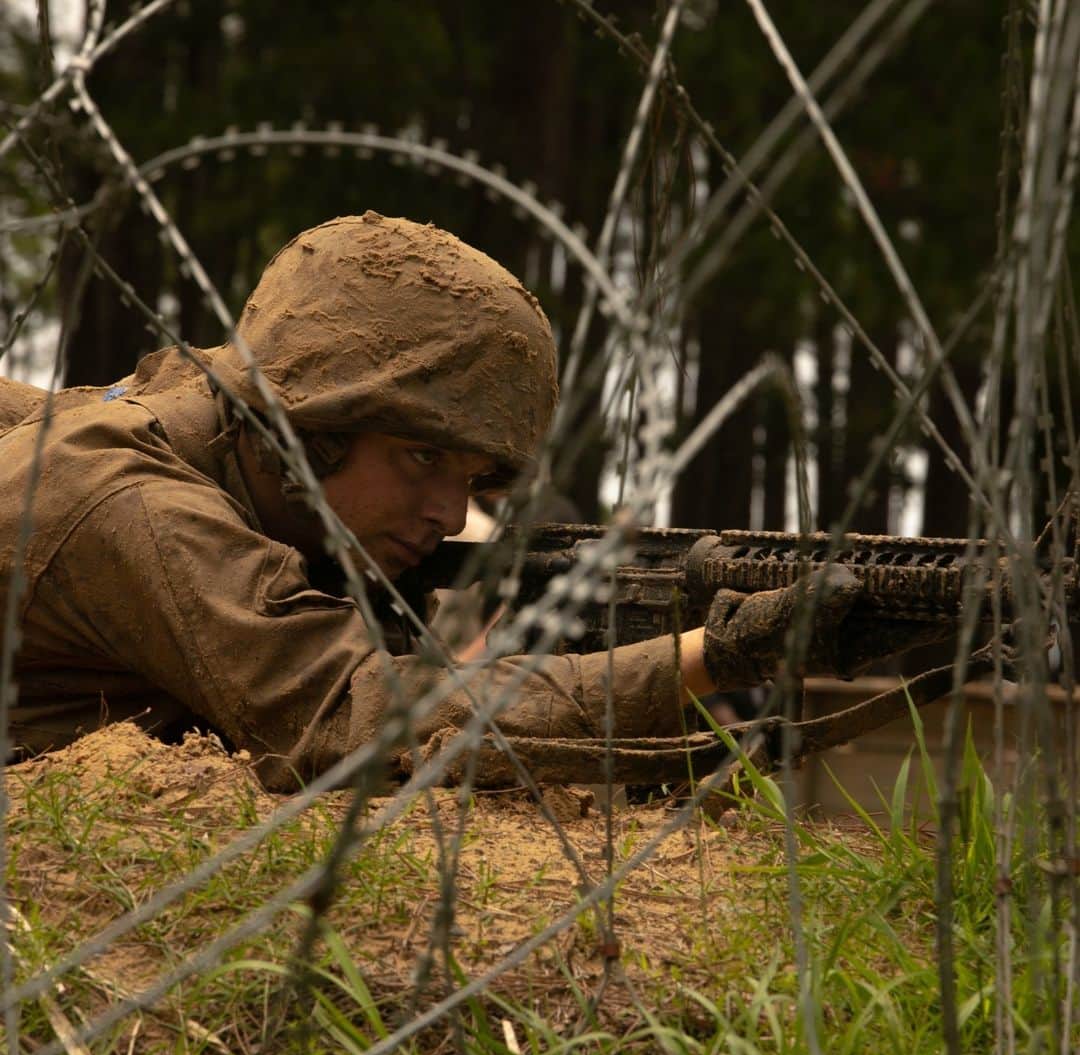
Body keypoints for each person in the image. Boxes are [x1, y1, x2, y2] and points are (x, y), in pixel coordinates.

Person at [0, 212, 927, 792]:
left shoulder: (161, 419)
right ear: (304, 426)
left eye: (477, 480)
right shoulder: (133, 504)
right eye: (420, 458)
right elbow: (353, 721)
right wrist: (715, 655)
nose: (450, 514)